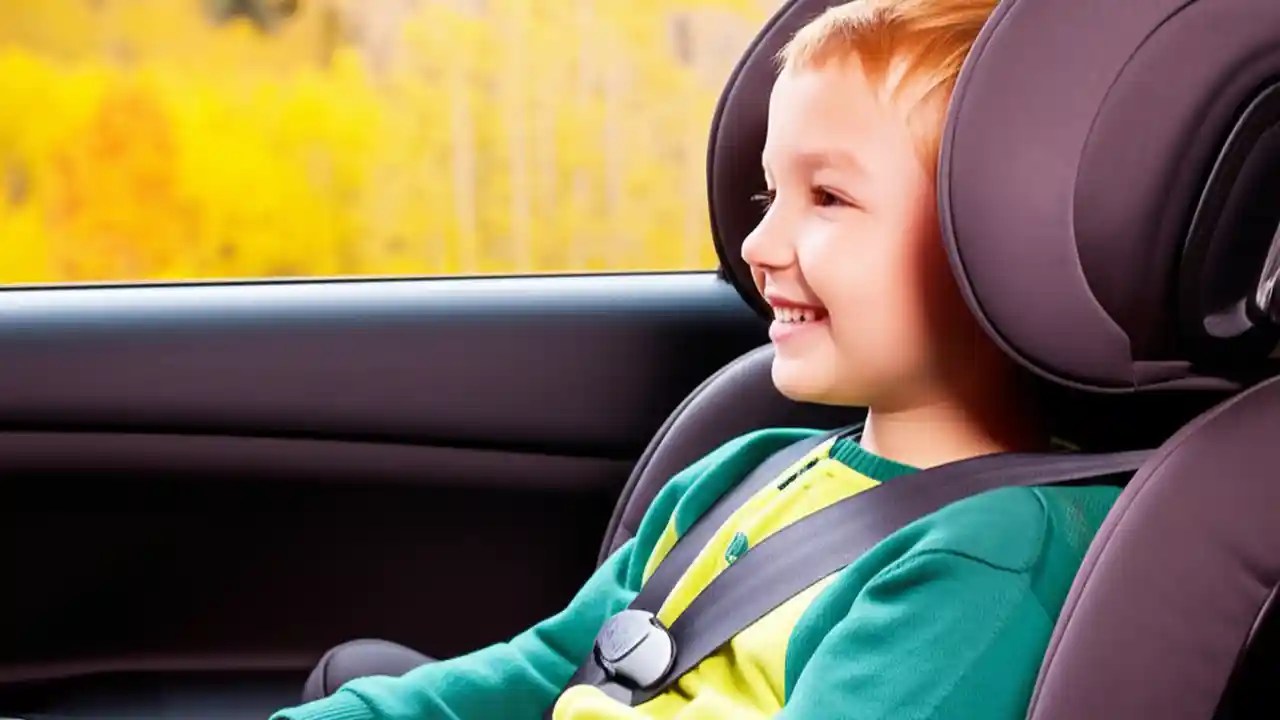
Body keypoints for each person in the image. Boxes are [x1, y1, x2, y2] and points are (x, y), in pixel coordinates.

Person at [272, 1, 1119, 718]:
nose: (757, 242)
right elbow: (554, 666)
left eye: (828, 197)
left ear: (995, 241)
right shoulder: (744, 473)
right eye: (767, 192)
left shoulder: (982, 559)